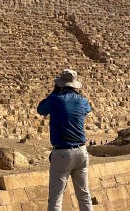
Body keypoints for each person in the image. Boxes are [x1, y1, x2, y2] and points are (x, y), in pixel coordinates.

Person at [37, 69, 93, 211]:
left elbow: (41, 109)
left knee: (56, 198)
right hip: (81, 152)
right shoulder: (82, 101)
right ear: (75, 85)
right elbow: (87, 109)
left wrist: (55, 92)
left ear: (60, 84)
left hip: (62, 153)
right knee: (84, 195)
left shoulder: (55, 99)